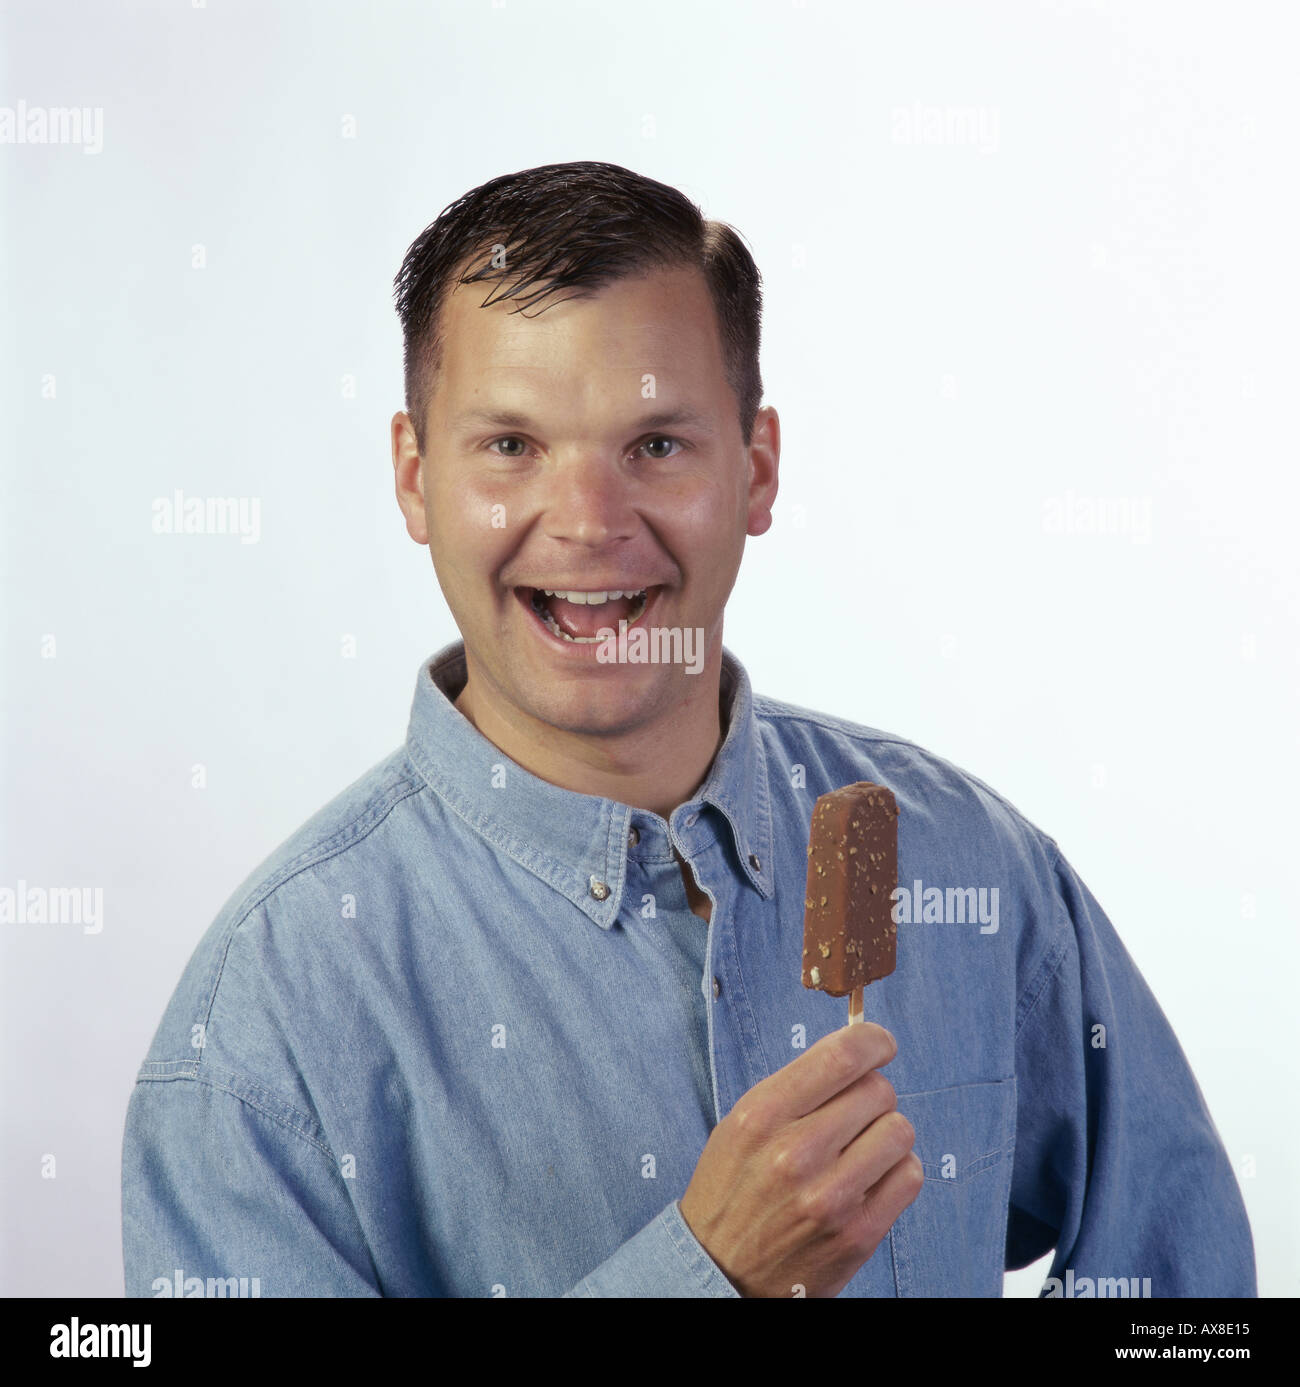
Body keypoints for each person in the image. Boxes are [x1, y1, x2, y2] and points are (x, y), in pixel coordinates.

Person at [121, 161, 1255, 1298]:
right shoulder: (264, 1017)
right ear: (416, 480)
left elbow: (1179, 1277)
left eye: (656, 445)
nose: (588, 522)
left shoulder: (971, 863)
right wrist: (709, 1274)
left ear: (755, 469)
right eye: (511, 445)